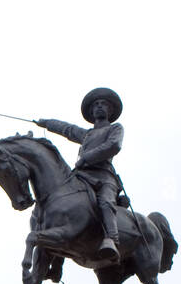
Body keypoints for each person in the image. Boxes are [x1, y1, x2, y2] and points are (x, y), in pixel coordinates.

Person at [35, 87, 124, 261]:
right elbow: (67, 129)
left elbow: (114, 145)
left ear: (110, 110)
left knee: (105, 202)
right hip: (82, 176)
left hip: (104, 177)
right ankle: (55, 261)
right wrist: (46, 123)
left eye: (103, 104)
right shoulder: (87, 134)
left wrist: (87, 157)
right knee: (62, 205)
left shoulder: (115, 129)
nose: (99, 107)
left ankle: (112, 240)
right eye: (96, 105)